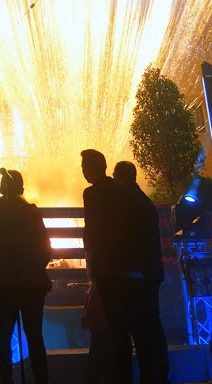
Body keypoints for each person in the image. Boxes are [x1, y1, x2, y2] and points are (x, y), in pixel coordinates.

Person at [0, 168, 53, 384]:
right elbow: (45, 247)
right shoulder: (31, 212)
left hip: (2, 284)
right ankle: (41, 379)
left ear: (2, 188)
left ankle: (6, 379)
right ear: (21, 188)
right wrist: (34, 268)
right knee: (34, 335)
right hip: (31, 283)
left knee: (3, 334)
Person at [81, 149, 138, 384]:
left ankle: (99, 375)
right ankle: (123, 375)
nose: (82, 170)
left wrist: (92, 263)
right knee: (119, 327)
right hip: (123, 268)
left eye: (84, 166)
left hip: (104, 268)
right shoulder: (121, 191)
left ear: (93, 167)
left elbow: (92, 230)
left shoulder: (91, 193)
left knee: (103, 325)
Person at [113, 161, 170, 384]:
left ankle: (153, 373)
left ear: (122, 178)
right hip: (149, 272)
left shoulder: (133, 203)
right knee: (151, 323)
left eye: (115, 176)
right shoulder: (142, 201)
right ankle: (159, 371)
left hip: (142, 274)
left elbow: (137, 241)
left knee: (144, 326)